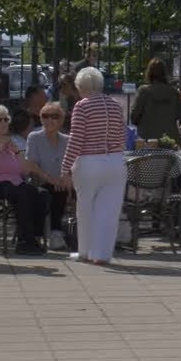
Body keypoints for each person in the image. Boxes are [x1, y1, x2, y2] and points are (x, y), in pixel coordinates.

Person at [60, 67, 128, 264]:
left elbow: (76, 140)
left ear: (81, 87)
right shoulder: (116, 106)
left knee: (86, 208)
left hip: (89, 162)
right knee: (109, 211)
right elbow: (122, 138)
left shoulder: (82, 106)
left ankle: (85, 251)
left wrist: (65, 168)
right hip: (115, 161)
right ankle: (101, 254)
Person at [0, 104, 50, 255]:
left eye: (6, 119)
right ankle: (26, 241)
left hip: (15, 182)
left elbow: (24, 170)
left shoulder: (11, 142)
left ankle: (31, 236)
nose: (4, 123)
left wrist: (17, 151)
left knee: (41, 194)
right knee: (21, 192)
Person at [26, 102, 71, 249]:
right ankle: (55, 232)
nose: (49, 120)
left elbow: (73, 164)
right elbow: (31, 165)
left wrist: (65, 178)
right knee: (56, 189)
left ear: (61, 120)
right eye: (45, 116)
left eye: (54, 116)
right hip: (40, 180)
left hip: (63, 181)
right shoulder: (34, 137)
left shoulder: (67, 140)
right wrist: (52, 179)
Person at [131, 58, 181, 143]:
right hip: (170, 139)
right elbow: (179, 115)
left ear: (149, 72)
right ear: (164, 73)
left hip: (148, 139)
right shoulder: (174, 92)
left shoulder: (143, 91)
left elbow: (134, 117)